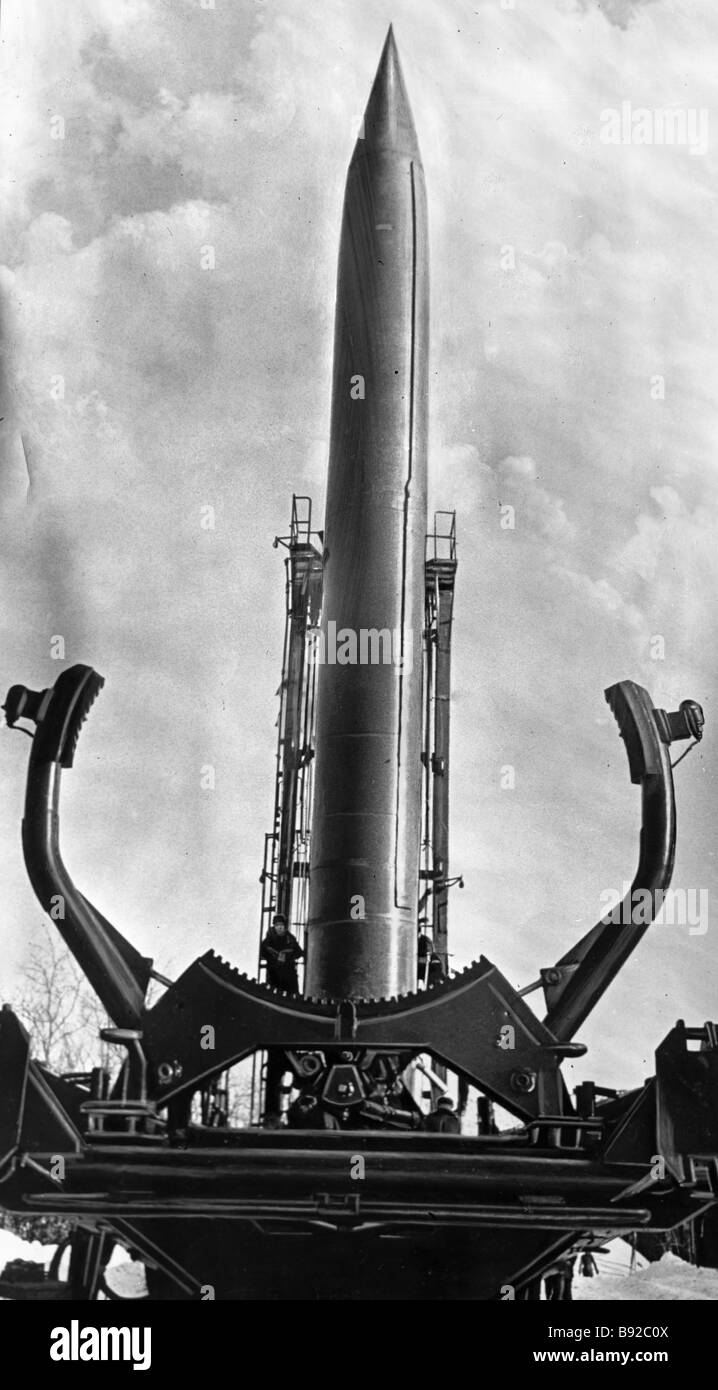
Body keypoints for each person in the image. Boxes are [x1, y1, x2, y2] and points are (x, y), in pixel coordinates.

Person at [260, 912, 304, 992]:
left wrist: (286, 956)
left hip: (289, 977)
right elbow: (262, 952)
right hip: (274, 975)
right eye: (276, 925)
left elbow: (299, 952)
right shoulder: (269, 939)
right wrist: (275, 957)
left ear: (284, 926)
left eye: (281, 925)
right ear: (274, 926)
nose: (279, 927)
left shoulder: (290, 938)